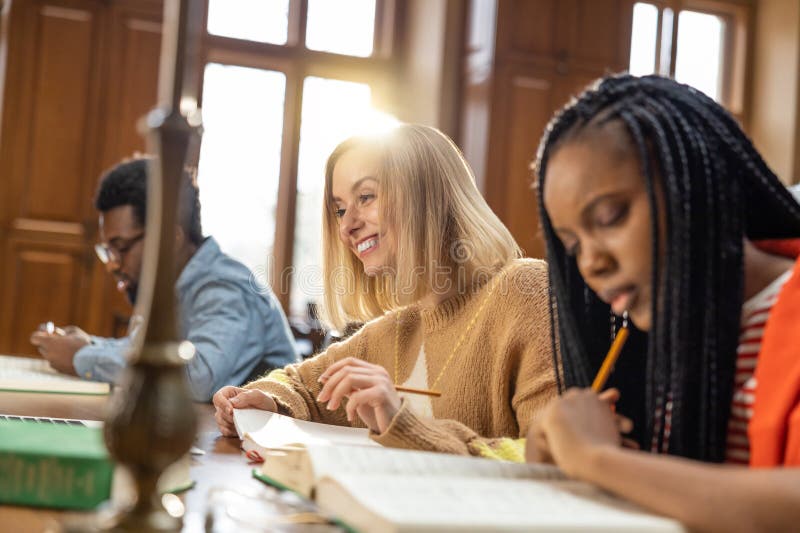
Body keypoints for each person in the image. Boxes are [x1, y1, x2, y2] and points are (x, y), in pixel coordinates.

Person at [527, 74, 800, 531]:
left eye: (610, 217)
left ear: (694, 181)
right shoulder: (667, 337)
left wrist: (597, 460)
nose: (591, 262)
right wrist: (555, 457)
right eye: (573, 246)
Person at [213, 124, 556, 460]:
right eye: (340, 209)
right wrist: (263, 400)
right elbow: (298, 386)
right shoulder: (398, 328)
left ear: (428, 195)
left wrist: (403, 425)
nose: (347, 226)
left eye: (365, 197)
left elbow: (551, 456)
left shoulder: (524, 289)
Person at [29, 158, 299, 401]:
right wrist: (89, 345)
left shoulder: (224, 287)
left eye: (120, 247)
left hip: (253, 453)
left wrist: (81, 357)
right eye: (107, 250)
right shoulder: (173, 285)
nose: (112, 264)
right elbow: (142, 351)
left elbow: (198, 378)